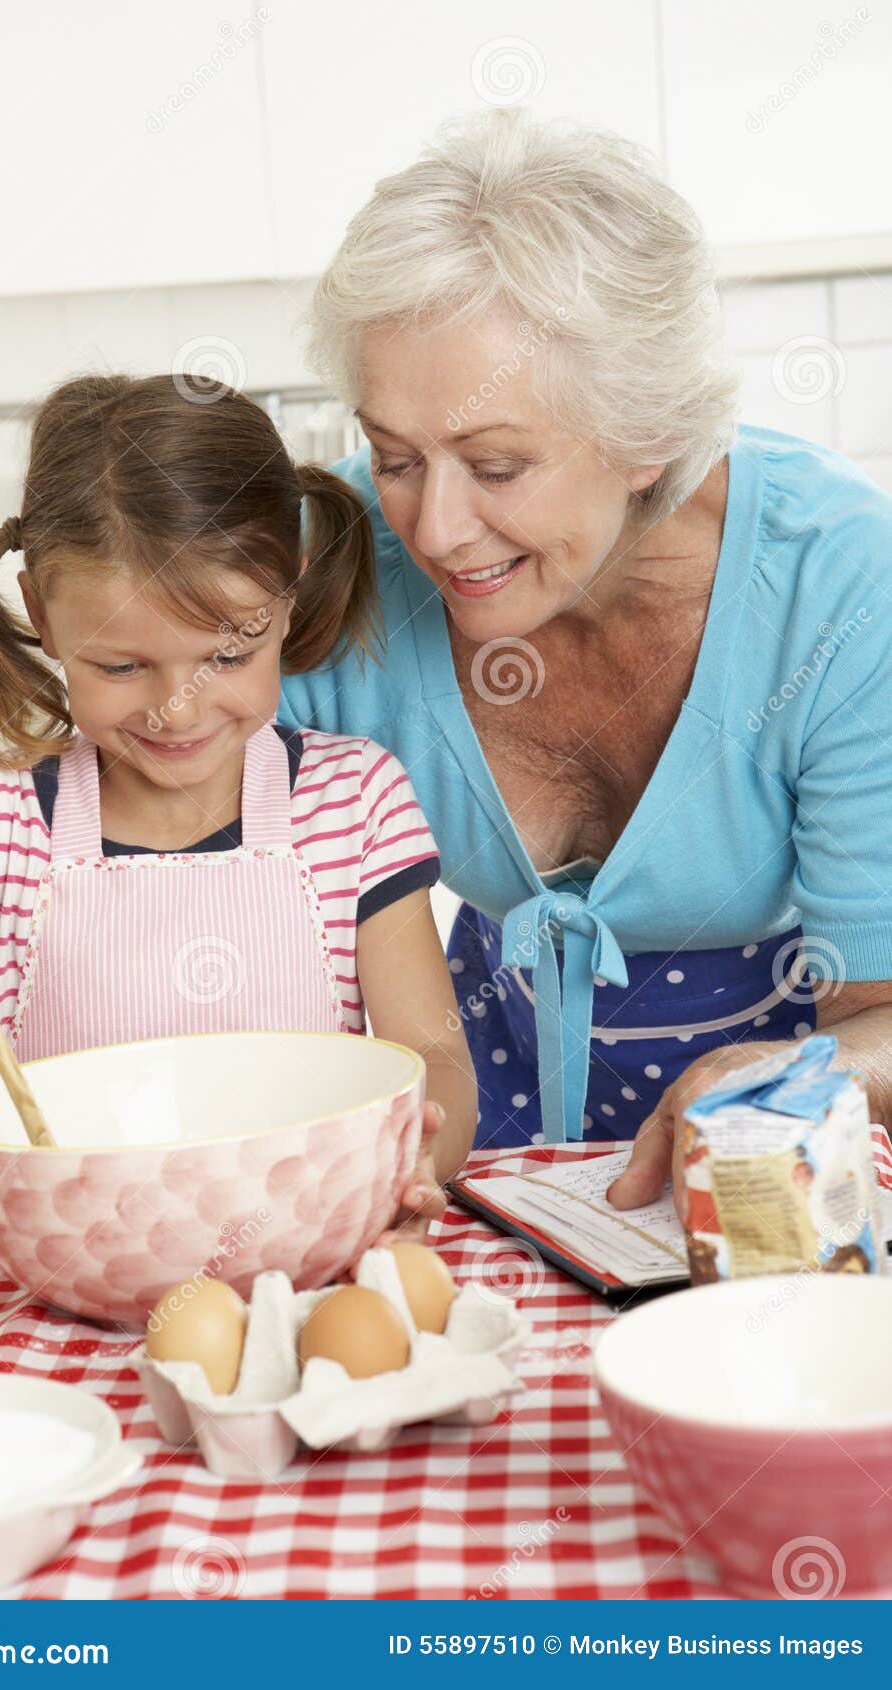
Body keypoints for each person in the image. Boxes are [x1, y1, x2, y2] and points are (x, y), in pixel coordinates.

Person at [277, 108, 892, 1215]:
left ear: (644, 431)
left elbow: (880, 1016)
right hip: (474, 1128)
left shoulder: (839, 586)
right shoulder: (336, 568)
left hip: (767, 1151)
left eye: (497, 464)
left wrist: (804, 1072)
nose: (434, 529)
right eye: (395, 455)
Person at [0, 374, 477, 1230]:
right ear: (44, 620)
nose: (177, 708)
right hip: (67, 1269)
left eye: (227, 656)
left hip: (302, 1249)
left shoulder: (353, 803)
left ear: (289, 599)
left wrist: (420, 1152)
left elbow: (432, 1055)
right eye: (121, 667)